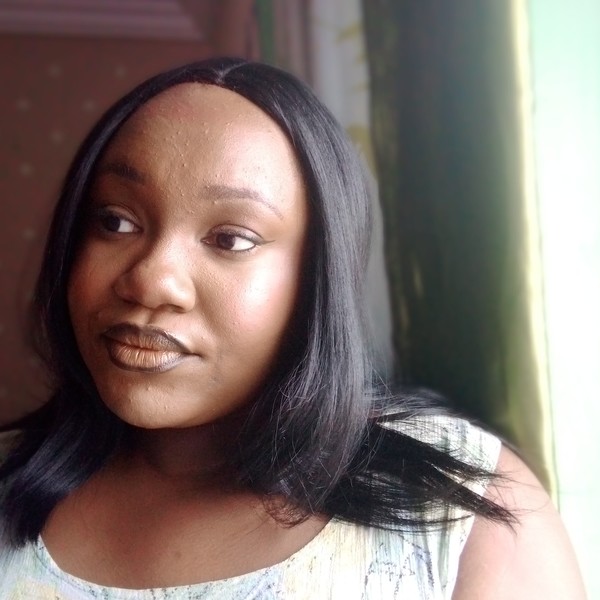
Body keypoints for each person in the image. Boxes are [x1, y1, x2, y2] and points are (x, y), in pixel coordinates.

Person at [0, 57, 586, 599]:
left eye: (231, 239)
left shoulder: (459, 508)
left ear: (316, 277)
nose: (152, 280)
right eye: (116, 221)